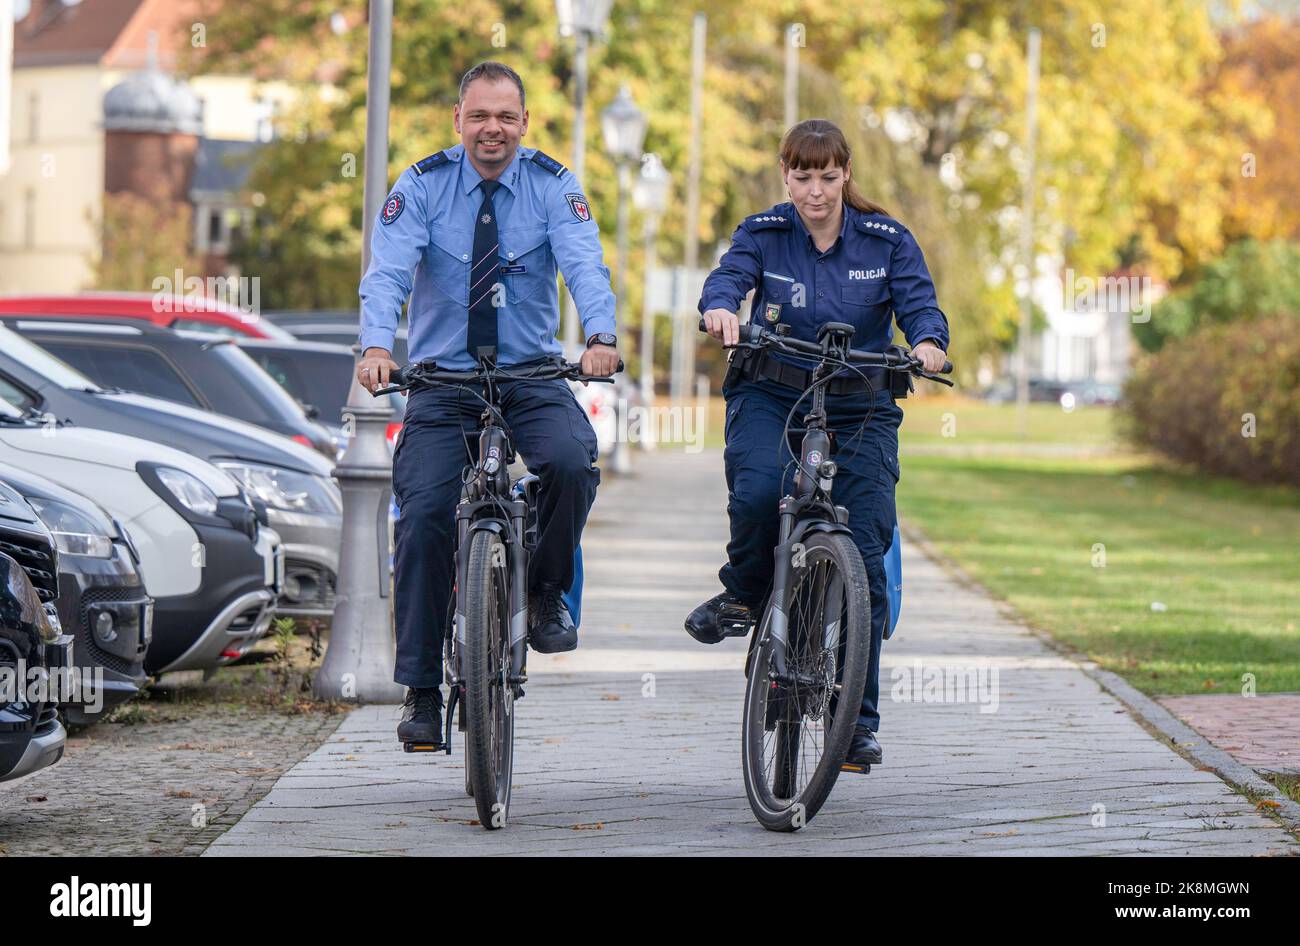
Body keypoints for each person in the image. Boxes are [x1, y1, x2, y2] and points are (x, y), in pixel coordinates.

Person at [357, 61, 620, 746]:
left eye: (505, 116)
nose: (492, 129)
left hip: (530, 375)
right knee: (420, 517)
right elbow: (386, 273)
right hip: (443, 382)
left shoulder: (553, 185)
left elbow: (585, 266)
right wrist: (376, 347)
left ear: (524, 123)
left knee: (570, 461)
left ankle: (546, 591)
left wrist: (600, 336)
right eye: (479, 116)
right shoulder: (422, 186)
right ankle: (419, 688)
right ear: (459, 120)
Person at [685, 118, 950, 770]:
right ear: (786, 176)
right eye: (802, 176)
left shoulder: (886, 241)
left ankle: (854, 723)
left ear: (845, 174)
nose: (815, 190)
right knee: (756, 495)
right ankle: (745, 594)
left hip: (861, 403)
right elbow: (728, 277)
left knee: (864, 551)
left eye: (827, 176)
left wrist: (928, 344)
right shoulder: (764, 234)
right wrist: (721, 308)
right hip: (773, 394)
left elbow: (919, 304)